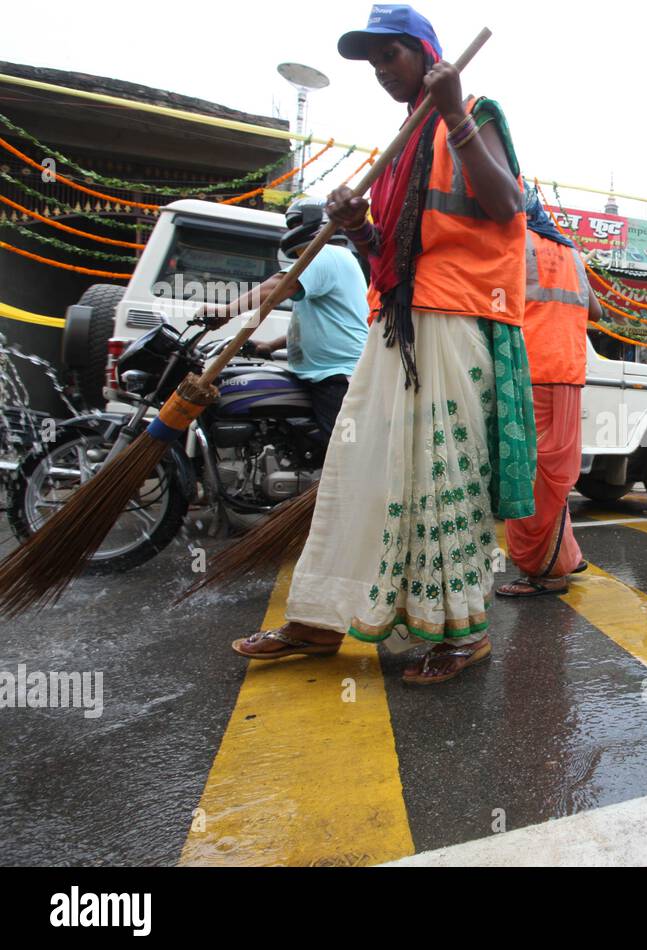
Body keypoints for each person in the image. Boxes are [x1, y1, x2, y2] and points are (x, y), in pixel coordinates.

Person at [230, 4, 536, 687]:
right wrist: (357, 228)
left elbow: (506, 207)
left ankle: (464, 632)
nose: (378, 71)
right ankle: (318, 617)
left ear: (428, 54)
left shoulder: (475, 110)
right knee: (355, 471)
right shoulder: (398, 148)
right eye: (371, 63)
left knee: (440, 480)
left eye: (389, 56)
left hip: (456, 322)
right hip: (394, 328)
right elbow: (388, 264)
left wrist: (455, 112)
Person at [495, 192, 602, 597]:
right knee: (553, 477)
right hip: (569, 375)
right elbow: (597, 312)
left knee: (528, 476)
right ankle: (567, 555)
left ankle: (545, 570)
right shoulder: (572, 253)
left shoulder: (516, 243)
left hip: (530, 373)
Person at [199, 198, 369, 437]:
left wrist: (226, 312)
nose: (289, 232)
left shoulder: (328, 254)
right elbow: (315, 323)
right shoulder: (333, 259)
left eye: (293, 224)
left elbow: (280, 285)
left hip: (335, 377)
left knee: (344, 456)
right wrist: (270, 345)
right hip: (318, 375)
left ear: (313, 221)